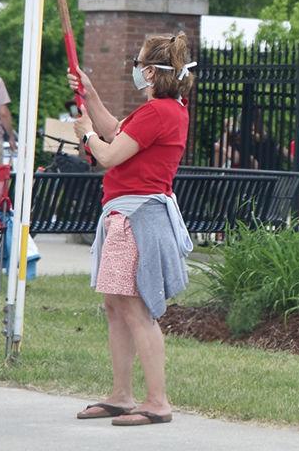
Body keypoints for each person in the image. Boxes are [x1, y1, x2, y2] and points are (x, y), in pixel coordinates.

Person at [68, 33, 196, 426]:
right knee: (116, 305)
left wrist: (85, 134)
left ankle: (156, 401)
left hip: (136, 216)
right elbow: (115, 130)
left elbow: (106, 152)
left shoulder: (159, 113)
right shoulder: (160, 110)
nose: (136, 70)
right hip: (125, 215)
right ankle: (121, 394)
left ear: (153, 72)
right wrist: (90, 94)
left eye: (139, 63)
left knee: (135, 308)